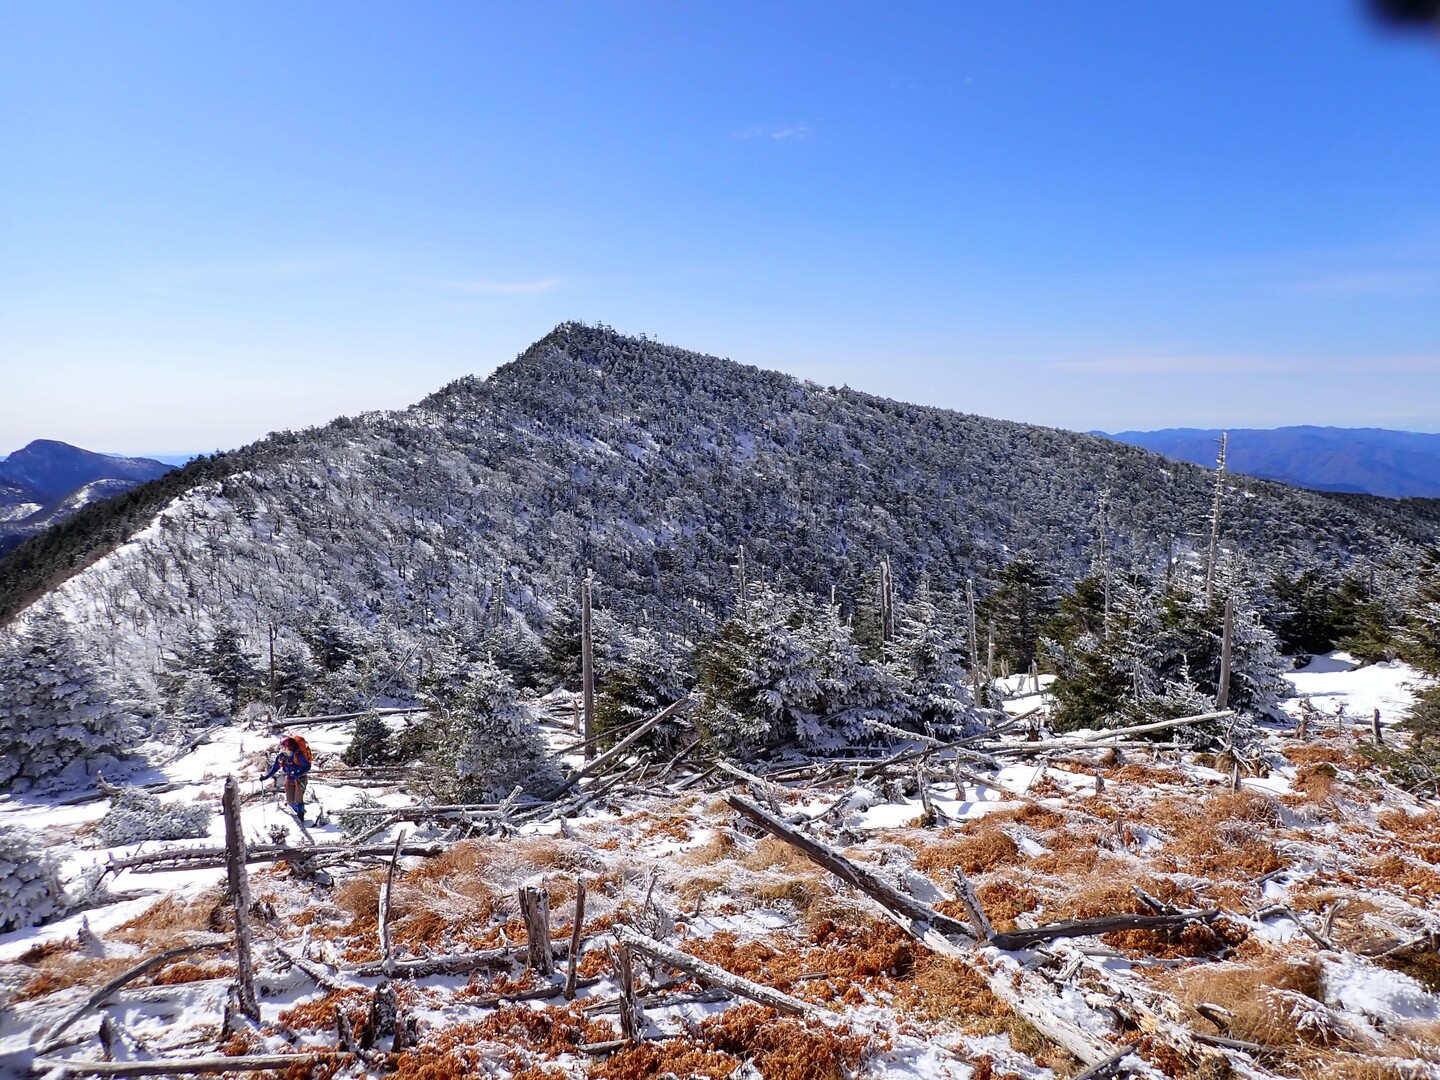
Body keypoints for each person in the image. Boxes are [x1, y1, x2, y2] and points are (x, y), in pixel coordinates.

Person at [260, 735, 312, 823]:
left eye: (284, 746)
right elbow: (275, 768)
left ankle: (301, 817)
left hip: (300, 779)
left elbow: (307, 766)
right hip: (290, 779)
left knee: (298, 799)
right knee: (290, 800)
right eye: (281, 747)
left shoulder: (298, 755)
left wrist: (298, 773)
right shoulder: (281, 756)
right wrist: (266, 777)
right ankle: (300, 811)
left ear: (289, 747)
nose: (282, 748)